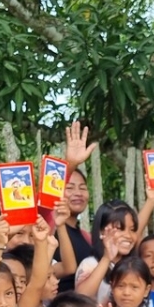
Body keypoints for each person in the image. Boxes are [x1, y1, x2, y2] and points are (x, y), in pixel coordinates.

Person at [55, 122, 100, 292]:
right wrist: (71, 164)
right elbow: (52, 192)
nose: (78, 193)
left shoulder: (87, 237)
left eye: (82, 188)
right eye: (70, 188)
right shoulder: (49, 227)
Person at [74, 203, 139, 304]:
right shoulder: (90, 264)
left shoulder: (135, 265)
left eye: (132, 229)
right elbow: (81, 299)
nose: (128, 235)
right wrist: (106, 258)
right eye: (119, 228)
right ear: (101, 232)